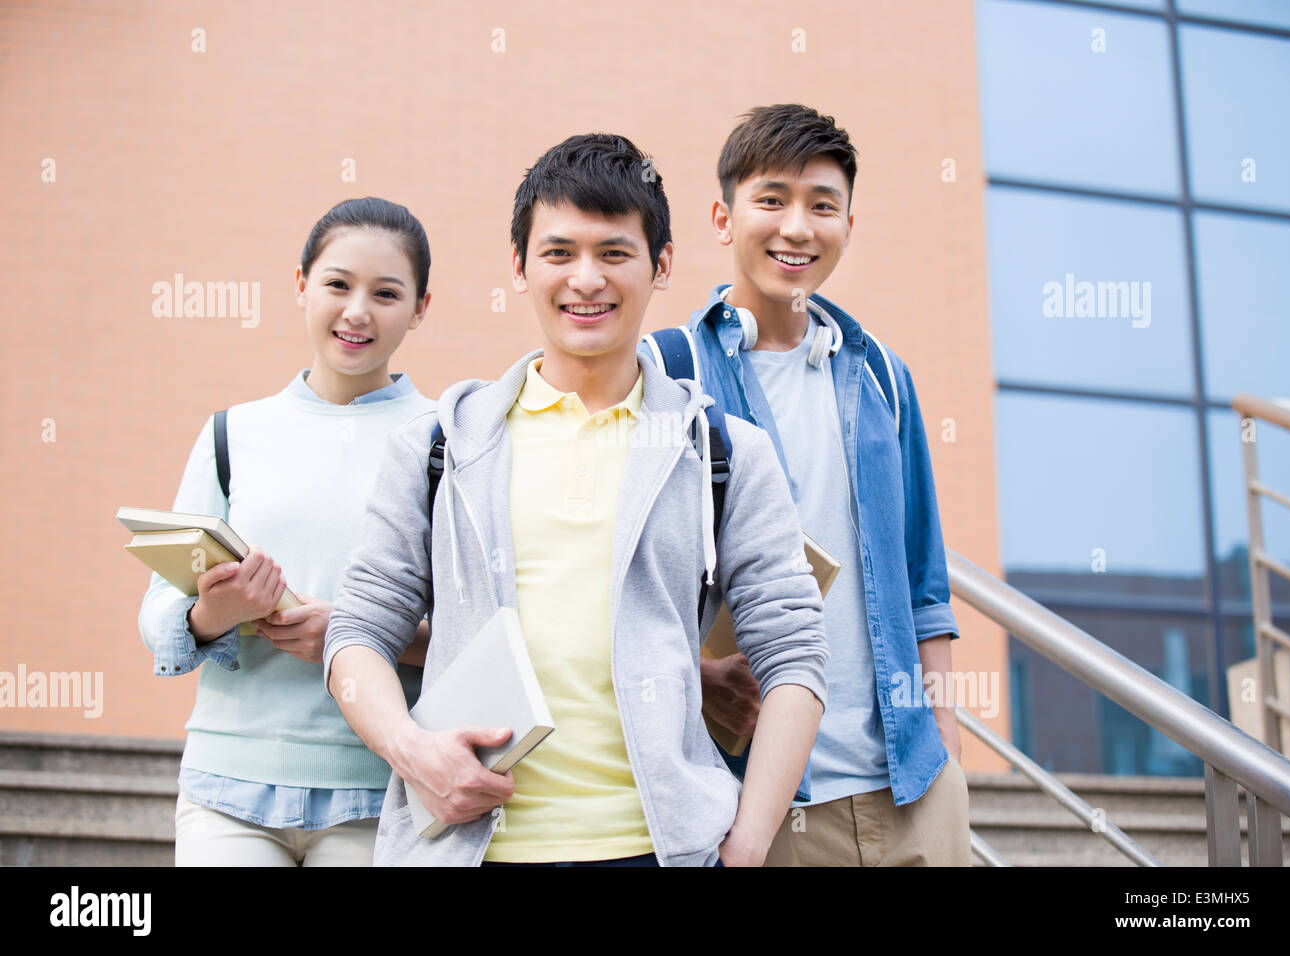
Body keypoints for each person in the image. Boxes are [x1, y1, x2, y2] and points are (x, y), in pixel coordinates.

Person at [323, 133, 829, 867]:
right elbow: (360, 629)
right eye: (559, 253)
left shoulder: (726, 454)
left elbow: (796, 654)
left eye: (614, 253)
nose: (585, 279)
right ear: (521, 269)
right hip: (471, 850)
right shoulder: (437, 446)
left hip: (658, 851)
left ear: (661, 266)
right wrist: (413, 752)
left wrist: (747, 845)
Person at [643, 104, 971, 866]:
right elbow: (609, 579)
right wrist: (691, 673)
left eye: (822, 205)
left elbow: (924, 578)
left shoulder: (884, 376)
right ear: (723, 218)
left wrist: (943, 732)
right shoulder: (668, 374)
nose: (798, 227)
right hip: (752, 798)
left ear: (848, 225)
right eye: (773, 200)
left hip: (913, 788)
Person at [137, 197, 436, 866]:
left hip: (380, 787)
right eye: (337, 284)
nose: (358, 310)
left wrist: (360, 635)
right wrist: (214, 611)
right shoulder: (231, 434)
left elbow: (477, 629)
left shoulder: (445, 440)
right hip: (226, 790)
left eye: (386, 293)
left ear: (419, 309)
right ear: (301, 286)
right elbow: (158, 610)